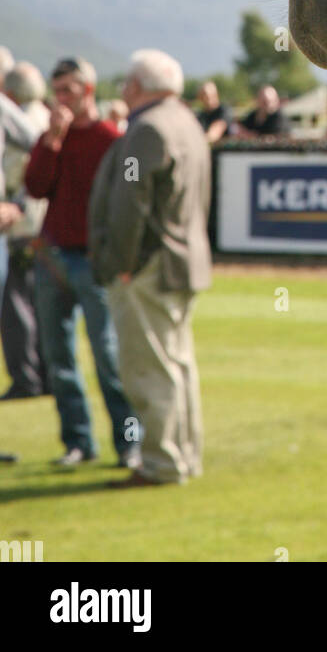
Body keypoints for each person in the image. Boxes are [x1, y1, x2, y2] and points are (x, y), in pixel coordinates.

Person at [89, 49, 211, 487]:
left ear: (138, 86)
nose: (122, 89)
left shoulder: (147, 129)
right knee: (177, 366)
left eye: (126, 82)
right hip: (182, 261)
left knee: (149, 370)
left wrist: (121, 264)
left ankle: (161, 463)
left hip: (148, 267)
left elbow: (130, 202)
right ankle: (183, 456)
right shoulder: (187, 122)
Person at [24, 57, 138, 469]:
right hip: (52, 259)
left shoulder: (112, 140)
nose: (60, 101)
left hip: (95, 261)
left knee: (109, 360)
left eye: (68, 91)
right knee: (59, 360)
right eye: (56, 92)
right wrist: (52, 142)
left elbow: (128, 198)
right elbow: (35, 188)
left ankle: (130, 444)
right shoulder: (52, 136)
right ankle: (78, 443)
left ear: (88, 91)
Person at [0, 62, 50, 399]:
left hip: (20, 226)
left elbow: (28, 162)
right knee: (40, 303)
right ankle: (45, 374)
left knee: (17, 306)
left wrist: (15, 201)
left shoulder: (17, 117)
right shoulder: (46, 116)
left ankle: (28, 376)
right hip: (43, 223)